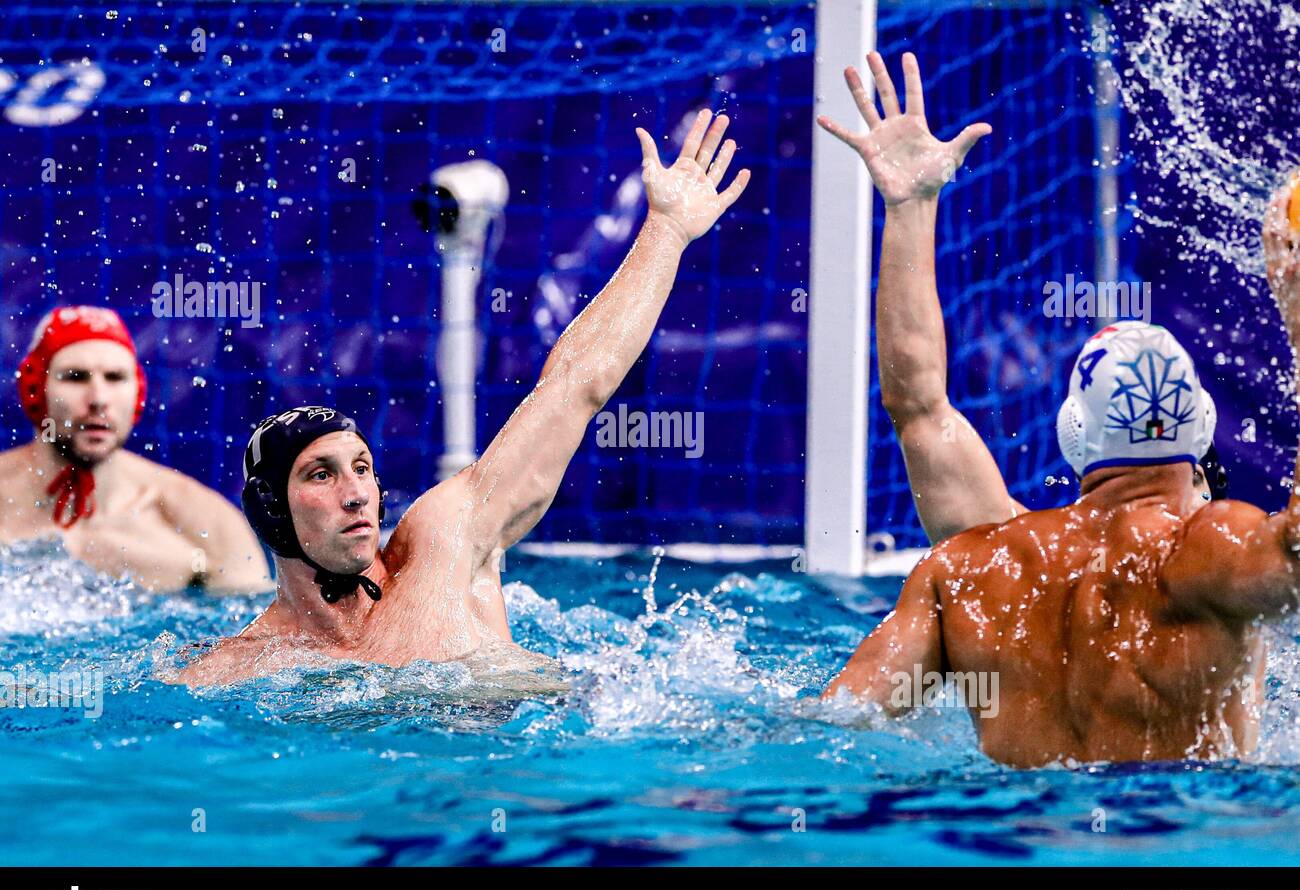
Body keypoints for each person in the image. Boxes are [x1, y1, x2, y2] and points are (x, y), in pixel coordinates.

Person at [817, 52, 1300, 768]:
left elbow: (917, 408)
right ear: (1200, 433)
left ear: (1073, 433)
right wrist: (1297, 321)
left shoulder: (973, 566)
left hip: (1018, 825)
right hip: (1181, 825)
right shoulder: (1215, 548)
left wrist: (910, 205)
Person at [175, 110, 750, 686]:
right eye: (321, 475)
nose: (356, 495)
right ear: (272, 509)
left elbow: (575, 386)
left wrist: (666, 231)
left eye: (362, 468)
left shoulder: (446, 544)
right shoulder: (234, 670)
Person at [0, 305, 270, 592]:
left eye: (115, 377)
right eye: (75, 377)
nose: (99, 399)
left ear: (137, 393)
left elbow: (255, 617)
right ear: (35, 389)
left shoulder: (206, 526)